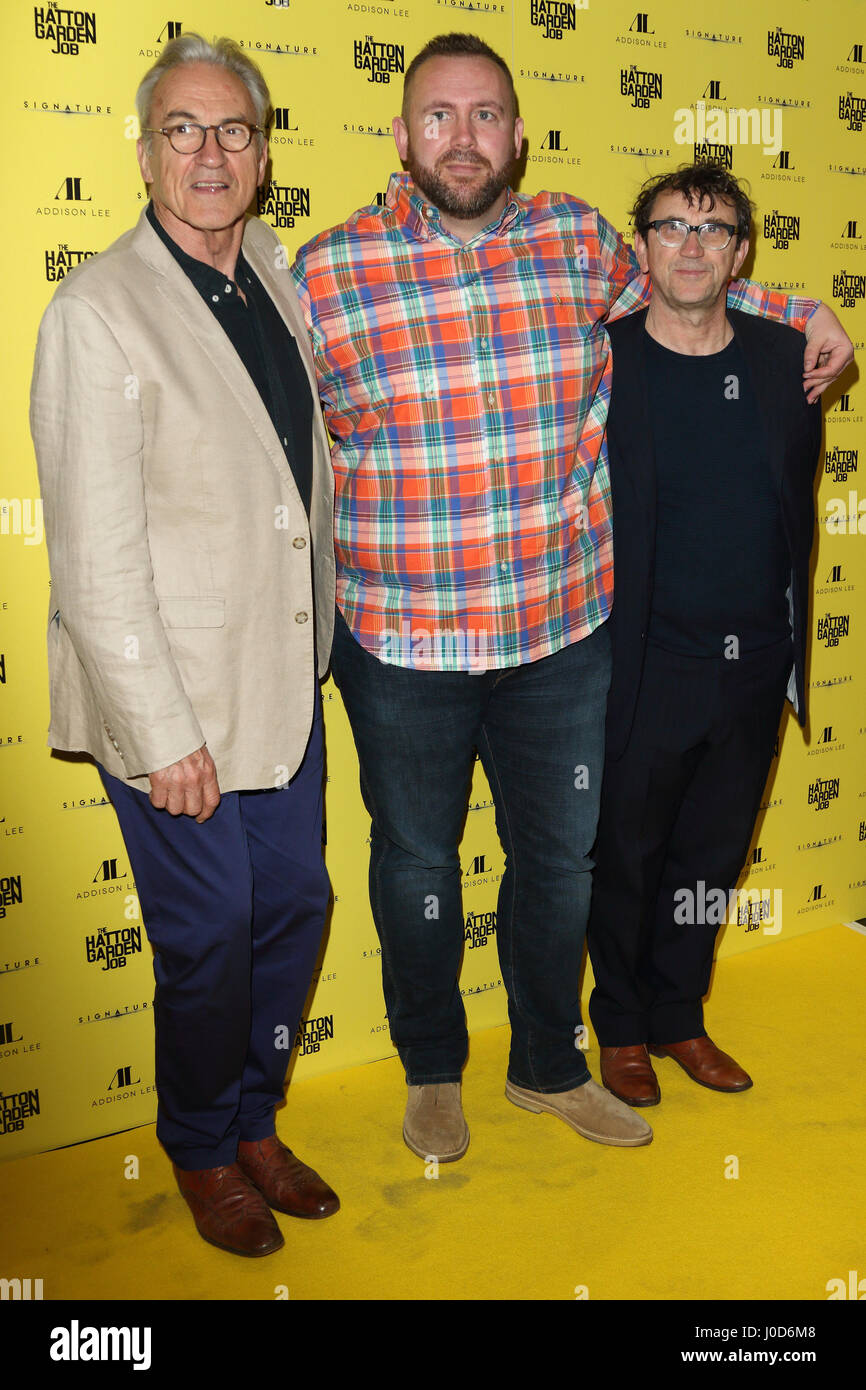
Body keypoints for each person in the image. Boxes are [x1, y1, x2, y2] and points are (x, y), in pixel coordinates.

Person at [291, 32, 851, 1163]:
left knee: (559, 866)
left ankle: (549, 1063)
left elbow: (688, 285)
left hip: (558, 634)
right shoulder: (323, 272)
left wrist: (807, 310)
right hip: (403, 640)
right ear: (400, 137)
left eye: (485, 113)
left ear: (516, 135)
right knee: (417, 866)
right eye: (438, 116)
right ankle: (433, 1068)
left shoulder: (577, 238)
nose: (463, 136)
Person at [30, 34, 337, 1257]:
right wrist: (162, 734)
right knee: (209, 931)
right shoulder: (97, 312)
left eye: (233, 131)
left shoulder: (270, 265)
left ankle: (258, 1118)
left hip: (279, 676)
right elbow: (95, 559)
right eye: (182, 130)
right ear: (144, 148)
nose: (209, 154)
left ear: (262, 152)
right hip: (172, 701)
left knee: (297, 903)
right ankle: (204, 1145)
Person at [588, 165, 824, 1106]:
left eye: (713, 229)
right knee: (627, 854)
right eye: (671, 227)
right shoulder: (602, 361)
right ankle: (621, 1029)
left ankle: (680, 1016)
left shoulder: (785, 359)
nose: (691, 245)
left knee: (711, 855)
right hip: (642, 661)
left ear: (741, 252)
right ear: (641, 246)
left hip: (755, 663)